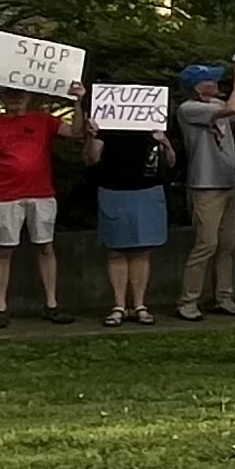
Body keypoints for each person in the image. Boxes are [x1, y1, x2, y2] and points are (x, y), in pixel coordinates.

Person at [0, 82, 80, 326]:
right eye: (10, 95)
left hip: (41, 194)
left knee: (45, 247)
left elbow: (76, 133)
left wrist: (78, 101)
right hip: (4, 196)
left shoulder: (43, 120)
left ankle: (51, 303)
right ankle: (0, 308)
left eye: (20, 95)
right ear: (3, 99)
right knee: (2, 251)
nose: (15, 99)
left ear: (28, 96)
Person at [173, 63, 235, 321]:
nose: (216, 84)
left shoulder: (219, 104)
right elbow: (231, 109)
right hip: (204, 185)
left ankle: (223, 297)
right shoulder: (189, 109)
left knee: (227, 244)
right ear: (197, 86)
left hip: (228, 183)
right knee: (206, 244)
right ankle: (188, 301)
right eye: (210, 80)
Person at [86, 96, 173, 325]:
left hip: (147, 191)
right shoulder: (106, 129)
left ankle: (140, 305)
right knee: (117, 251)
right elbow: (91, 159)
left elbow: (171, 162)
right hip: (114, 191)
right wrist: (92, 137)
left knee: (142, 251)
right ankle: (119, 306)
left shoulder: (153, 129)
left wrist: (164, 142)